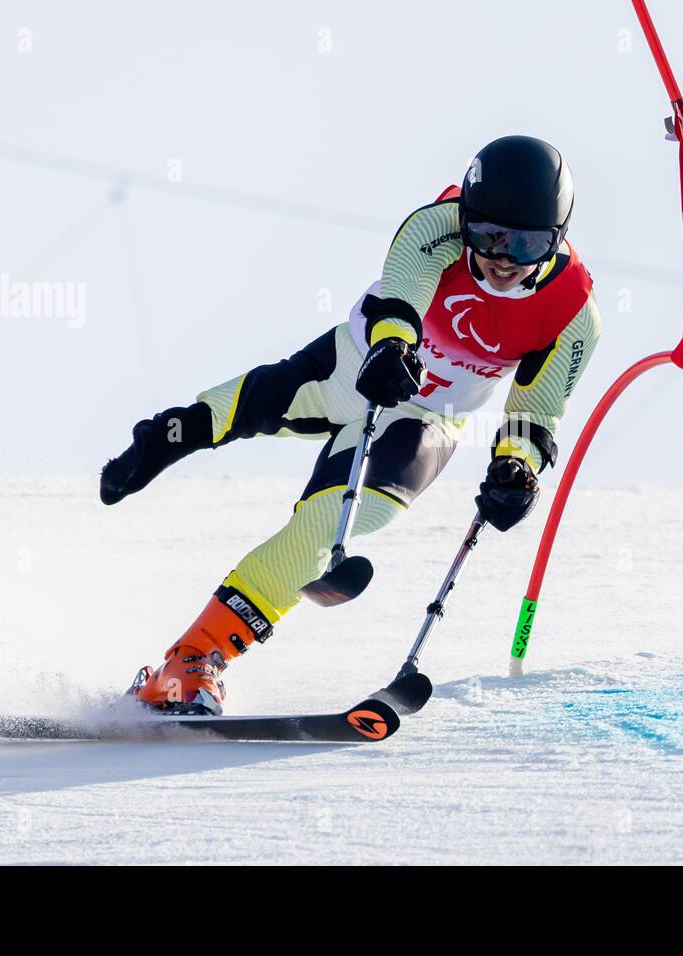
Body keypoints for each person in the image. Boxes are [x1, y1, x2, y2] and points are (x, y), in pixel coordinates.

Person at [100, 135, 602, 715]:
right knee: (242, 411)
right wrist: (394, 349)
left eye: (529, 242)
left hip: (427, 421)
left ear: (558, 241)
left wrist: (517, 470)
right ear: (466, 218)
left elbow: (536, 412)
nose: (505, 256)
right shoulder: (435, 228)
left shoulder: (572, 313)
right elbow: (403, 298)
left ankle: (192, 661)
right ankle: (168, 435)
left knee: (329, 526)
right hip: (357, 367)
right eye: (489, 233)